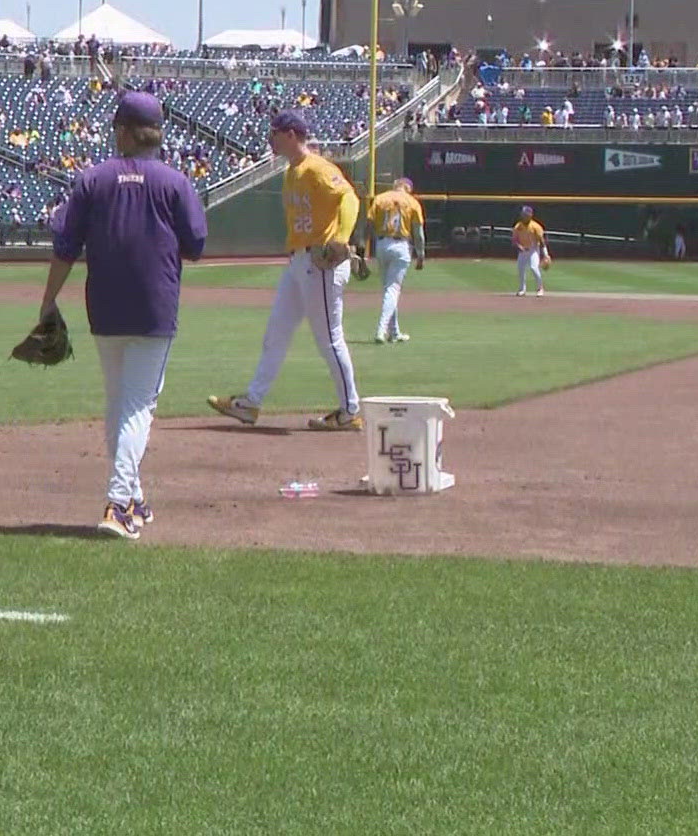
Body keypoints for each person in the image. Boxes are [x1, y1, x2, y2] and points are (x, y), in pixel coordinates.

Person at [36, 92, 207, 540]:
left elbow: (64, 247)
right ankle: (117, 505)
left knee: (119, 405)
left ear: (126, 131)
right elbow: (197, 245)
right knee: (136, 406)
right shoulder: (174, 182)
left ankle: (132, 496)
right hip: (153, 306)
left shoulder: (93, 180)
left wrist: (48, 301)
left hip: (105, 307)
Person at [207, 110, 364, 431]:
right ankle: (251, 403)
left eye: (275, 133)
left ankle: (350, 410)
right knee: (276, 333)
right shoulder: (292, 173)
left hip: (321, 262)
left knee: (330, 339)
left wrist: (341, 238)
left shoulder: (317, 168)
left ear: (291, 135)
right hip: (299, 262)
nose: (271, 139)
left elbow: (349, 198)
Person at [366, 176, 424, 342]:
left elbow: (369, 224)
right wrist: (421, 254)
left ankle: (394, 332)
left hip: (382, 244)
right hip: (400, 245)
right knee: (392, 290)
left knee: (388, 291)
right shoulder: (412, 202)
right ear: (407, 188)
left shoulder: (380, 198)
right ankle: (381, 330)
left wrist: (363, 247)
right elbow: (418, 233)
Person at [513, 205, 549, 297]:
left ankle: (540, 288)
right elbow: (514, 240)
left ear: (530, 215)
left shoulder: (536, 226)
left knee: (534, 268)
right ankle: (522, 289)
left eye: (526, 214)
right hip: (522, 250)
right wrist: (519, 246)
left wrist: (546, 254)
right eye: (523, 214)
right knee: (521, 269)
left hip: (533, 250)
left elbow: (541, 241)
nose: (524, 216)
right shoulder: (518, 226)